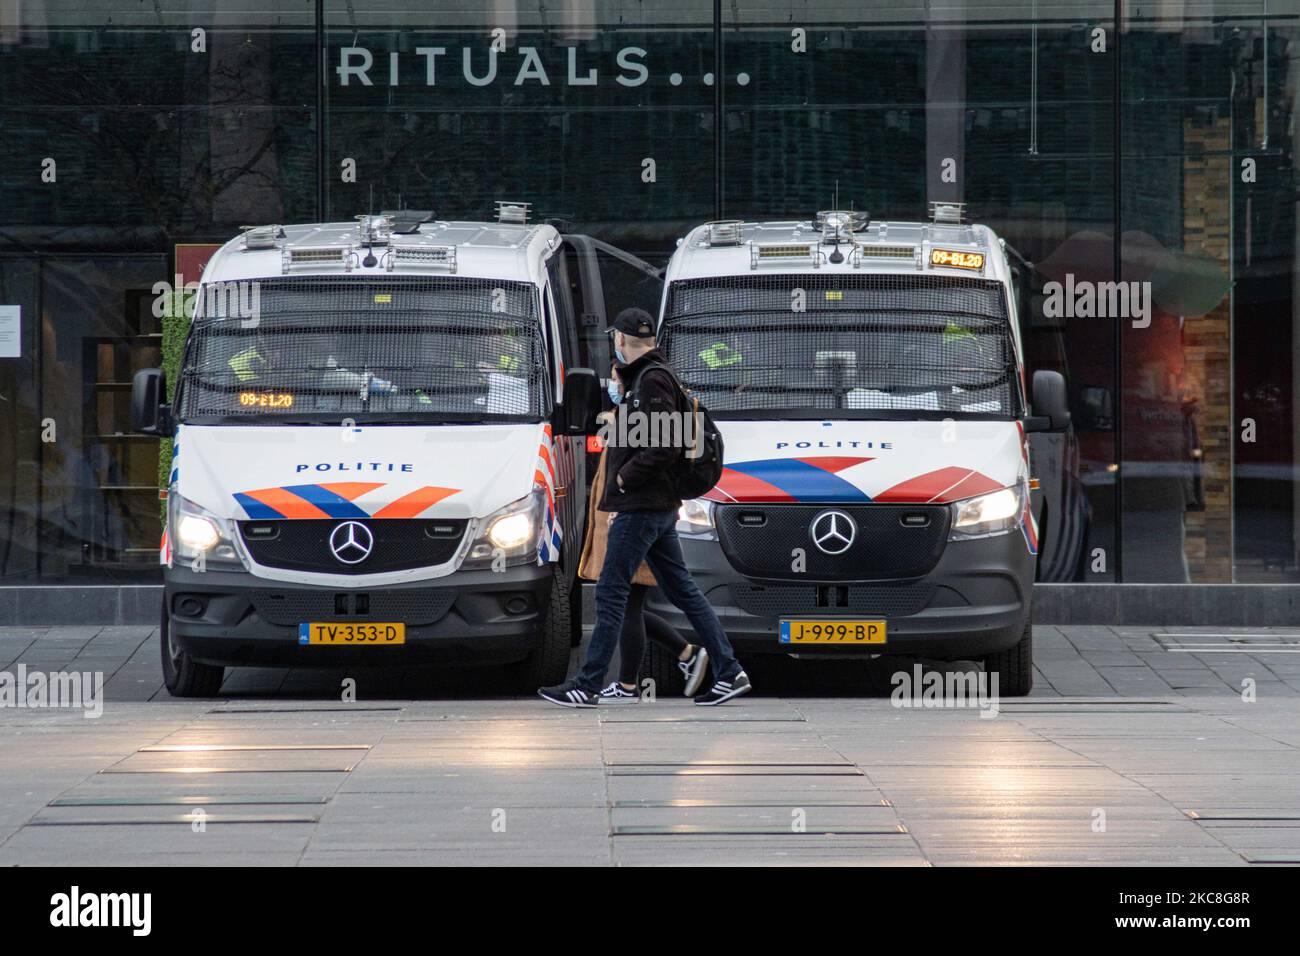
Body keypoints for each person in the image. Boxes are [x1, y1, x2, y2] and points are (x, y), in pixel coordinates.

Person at [539, 307, 751, 707]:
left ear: (620, 339)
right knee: (684, 591)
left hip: (642, 504)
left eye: (613, 340)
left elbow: (664, 445)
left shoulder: (652, 380)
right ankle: (729, 671)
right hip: (653, 505)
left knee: (612, 593)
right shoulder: (651, 378)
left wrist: (623, 479)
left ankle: (587, 684)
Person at [579, 369, 710, 702]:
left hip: (632, 515)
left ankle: (629, 682)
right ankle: (682, 656)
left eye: (615, 377)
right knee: (628, 604)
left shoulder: (641, 411)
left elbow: (645, 461)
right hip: (628, 514)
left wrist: (619, 500)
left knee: (627, 602)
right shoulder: (628, 411)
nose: (612, 383)